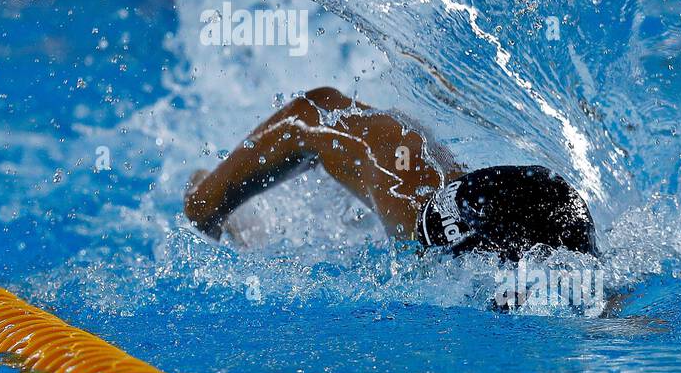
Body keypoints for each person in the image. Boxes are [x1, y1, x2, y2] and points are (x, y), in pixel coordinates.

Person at [184, 86, 596, 259]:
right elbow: (314, 111)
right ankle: (233, 216)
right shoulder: (409, 192)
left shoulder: (565, 260)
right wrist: (210, 203)